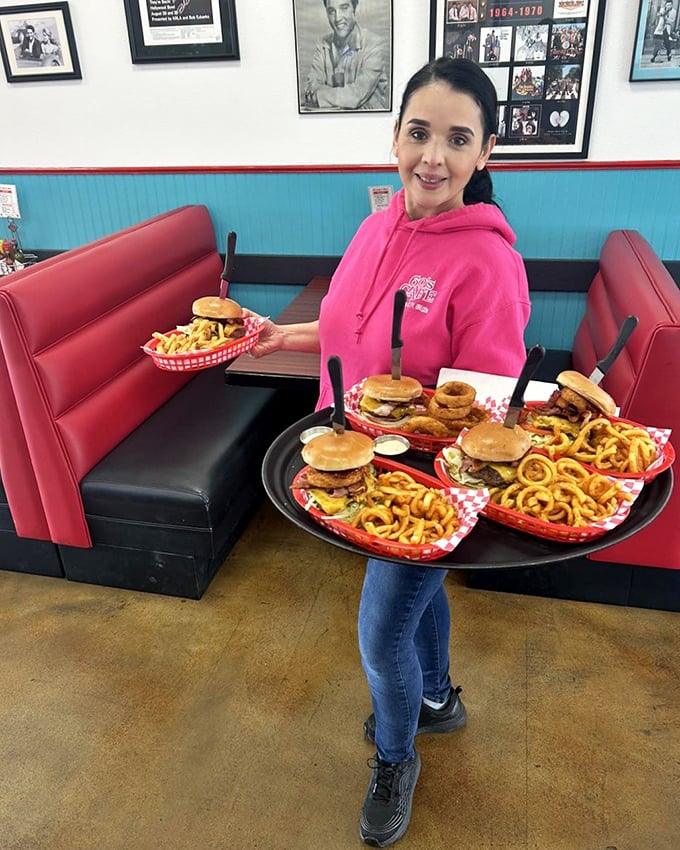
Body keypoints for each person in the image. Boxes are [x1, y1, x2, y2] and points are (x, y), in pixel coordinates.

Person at [248, 57, 531, 846]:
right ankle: (438, 695)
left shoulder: (490, 262)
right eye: (418, 132)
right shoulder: (374, 226)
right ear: (394, 136)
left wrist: (427, 466)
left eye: (457, 138)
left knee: (380, 634)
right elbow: (351, 330)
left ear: (486, 154)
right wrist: (285, 334)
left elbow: (487, 412)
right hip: (351, 467)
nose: (432, 156)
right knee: (415, 604)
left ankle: (397, 755)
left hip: (420, 489)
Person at [303, 0, 388, 110]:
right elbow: (311, 86)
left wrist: (319, 96)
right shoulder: (323, 44)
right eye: (331, 11)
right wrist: (338, 98)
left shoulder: (374, 44)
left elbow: (356, 95)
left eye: (344, 8)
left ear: (354, 9)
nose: (338, 18)